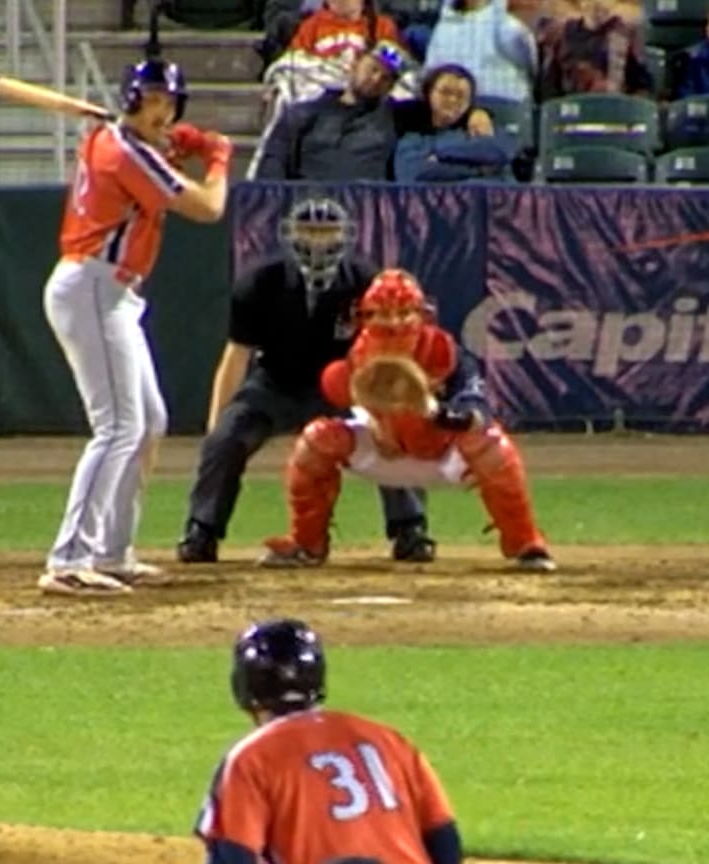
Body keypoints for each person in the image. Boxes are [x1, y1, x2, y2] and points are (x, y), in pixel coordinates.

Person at [39, 58, 233, 597]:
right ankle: (69, 558)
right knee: (119, 425)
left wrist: (173, 146)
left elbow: (149, 163)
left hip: (114, 292)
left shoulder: (122, 145)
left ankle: (112, 550)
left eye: (168, 103)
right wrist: (215, 159)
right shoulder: (123, 151)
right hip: (93, 287)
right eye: (151, 101)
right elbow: (207, 207)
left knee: (148, 421)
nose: (162, 111)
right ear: (129, 100)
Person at [176, 197, 436, 565]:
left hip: (344, 386)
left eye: (326, 232)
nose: (318, 242)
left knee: (392, 434)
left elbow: (381, 356)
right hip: (275, 384)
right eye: (309, 232)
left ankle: (411, 527)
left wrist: (382, 413)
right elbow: (237, 355)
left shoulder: (364, 282)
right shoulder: (259, 282)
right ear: (291, 236)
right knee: (226, 439)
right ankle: (202, 530)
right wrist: (216, 426)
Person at [258, 268, 557, 572]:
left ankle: (525, 543)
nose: (392, 323)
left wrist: (436, 413)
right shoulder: (356, 354)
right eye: (381, 314)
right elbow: (334, 390)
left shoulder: (445, 353)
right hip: (382, 450)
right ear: (364, 316)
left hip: (441, 453)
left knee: (491, 442)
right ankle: (307, 543)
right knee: (316, 438)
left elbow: (477, 411)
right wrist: (367, 407)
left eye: (403, 313)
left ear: (422, 315)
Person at [194, 618, 463, 864]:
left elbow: (232, 857)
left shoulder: (250, 758)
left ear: (244, 684)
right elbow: (444, 840)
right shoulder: (387, 739)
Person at [251, 40, 410, 182]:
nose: (376, 79)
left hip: (365, 207)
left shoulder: (396, 118)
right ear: (355, 64)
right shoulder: (302, 113)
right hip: (307, 206)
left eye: (385, 78)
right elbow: (272, 168)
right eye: (372, 69)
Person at [394, 63, 519, 182]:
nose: (453, 100)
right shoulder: (412, 139)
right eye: (445, 92)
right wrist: (480, 171)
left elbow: (501, 152)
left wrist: (439, 154)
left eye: (461, 95)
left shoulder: (482, 128)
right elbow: (414, 174)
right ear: (429, 93)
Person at [422, 0, 538, 103]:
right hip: (454, 115)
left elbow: (531, 70)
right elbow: (430, 76)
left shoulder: (510, 28)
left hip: (502, 112)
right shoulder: (442, 28)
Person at [536, 0, 653, 99]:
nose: (598, 4)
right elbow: (549, 88)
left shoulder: (622, 35)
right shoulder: (564, 36)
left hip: (613, 111)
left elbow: (641, 84)